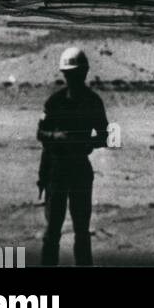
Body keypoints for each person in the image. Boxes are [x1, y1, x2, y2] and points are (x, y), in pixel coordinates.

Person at [37, 46, 109, 267]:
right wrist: (59, 138)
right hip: (56, 170)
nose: (73, 78)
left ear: (84, 73)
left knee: (81, 231)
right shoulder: (54, 103)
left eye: (76, 74)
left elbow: (105, 135)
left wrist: (83, 142)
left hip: (78, 169)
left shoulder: (93, 102)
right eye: (70, 74)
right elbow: (41, 135)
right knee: (53, 231)